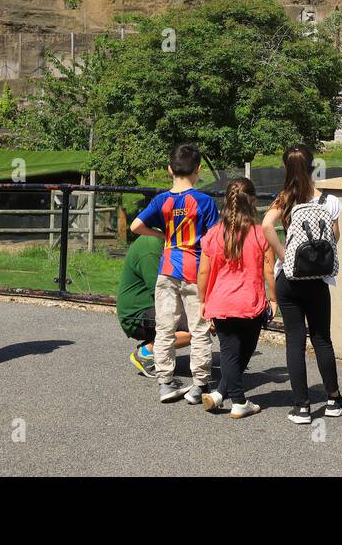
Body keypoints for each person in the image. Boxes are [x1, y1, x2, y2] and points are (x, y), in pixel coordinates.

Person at [261, 144, 342, 424]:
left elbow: (266, 226)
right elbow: (334, 237)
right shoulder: (329, 202)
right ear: (313, 166)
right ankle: (334, 398)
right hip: (316, 280)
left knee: (295, 342)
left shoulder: (285, 199)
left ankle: (301, 406)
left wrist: (284, 254)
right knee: (322, 338)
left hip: (289, 279)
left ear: (286, 168)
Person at [130, 143, 218, 405]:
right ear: (198, 169)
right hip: (195, 271)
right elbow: (214, 240)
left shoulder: (161, 200)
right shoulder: (204, 201)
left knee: (165, 327)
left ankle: (165, 383)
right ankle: (199, 384)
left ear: (170, 169)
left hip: (167, 270)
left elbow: (136, 226)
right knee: (199, 328)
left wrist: (160, 233)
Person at [196, 178, 276, 419]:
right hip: (251, 303)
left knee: (232, 353)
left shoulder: (213, 234)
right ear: (252, 201)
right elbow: (269, 270)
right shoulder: (261, 233)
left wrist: (202, 300)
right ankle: (239, 402)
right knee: (242, 351)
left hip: (221, 303)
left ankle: (220, 394)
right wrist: (274, 299)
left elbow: (203, 272)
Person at [115, 233, 192, 378]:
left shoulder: (167, 242)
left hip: (154, 305)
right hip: (137, 313)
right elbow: (160, 291)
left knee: (198, 319)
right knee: (197, 326)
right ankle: (146, 352)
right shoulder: (151, 245)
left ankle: (157, 347)